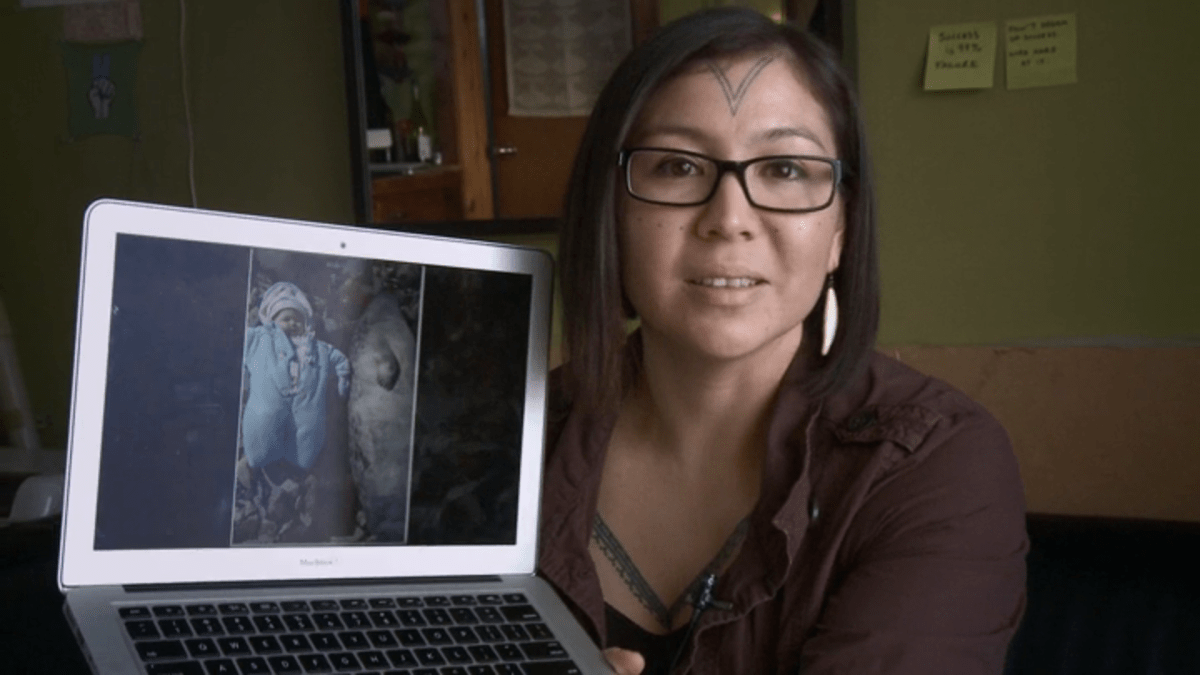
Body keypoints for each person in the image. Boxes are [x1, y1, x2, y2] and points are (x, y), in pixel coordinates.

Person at [539, 8, 1027, 674]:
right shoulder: (500, 445)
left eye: (787, 171)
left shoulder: (937, 463)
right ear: (611, 212)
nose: (729, 218)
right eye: (678, 167)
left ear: (840, 230)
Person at [242, 281, 350, 472]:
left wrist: (343, 380)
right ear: (272, 321)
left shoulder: (318, 348)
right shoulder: (261, 338)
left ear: (306, 323)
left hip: (307, 402)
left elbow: (340, 360)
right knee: (264, 418)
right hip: (270, 399)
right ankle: (258, 455)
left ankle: (301, 461)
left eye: (297, 320)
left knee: (309, 428)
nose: (292, 323)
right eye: (286, 319)